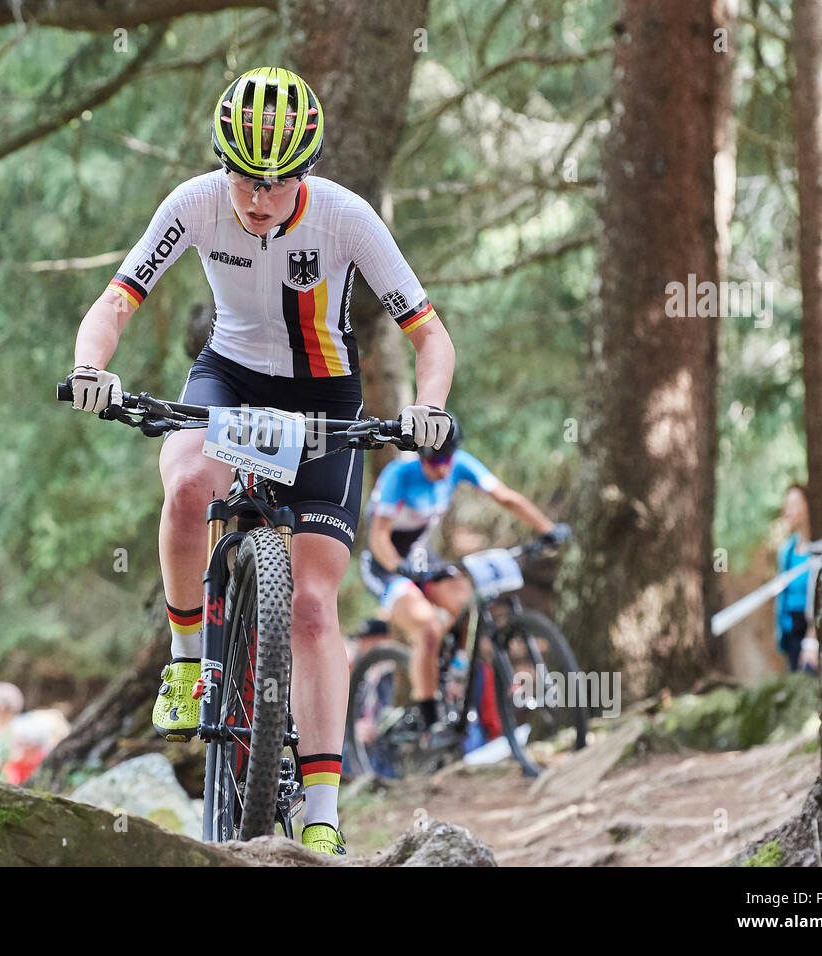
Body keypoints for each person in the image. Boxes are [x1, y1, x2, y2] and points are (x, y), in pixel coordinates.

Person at [65, 68, 456, 855]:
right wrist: (90, 369)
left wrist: (429, 408)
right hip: (230, 377)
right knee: (183, 490)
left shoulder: (347, 218)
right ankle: (186, 663)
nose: (257, 200)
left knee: (313, 607)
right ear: (224, 166)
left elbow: (429, 335)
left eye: (276, 186)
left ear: (304, 175)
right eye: (245, 179)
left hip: (324, 400)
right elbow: (117, 300)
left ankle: (321, 806)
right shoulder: (194, 204)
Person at [359, 416, 568, 735]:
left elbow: (506, 497)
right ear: (420, 457)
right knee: (427, 627)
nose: (442, 469)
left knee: (468, 597)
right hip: (385, 564)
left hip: (422, 555)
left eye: (447, 460)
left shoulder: (459, 464)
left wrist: (547, 530)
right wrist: (400, 568)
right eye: (434, 461)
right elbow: (378, 537)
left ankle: (454, 666)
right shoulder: (399, 475)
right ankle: (430, 719)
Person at [775, 483, 819, 674]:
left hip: (813, 631)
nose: (788, 511)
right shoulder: (786, 551)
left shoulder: (819, 549)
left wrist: (813, 638)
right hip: (790, 632)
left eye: (794, 504)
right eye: (787, 505)